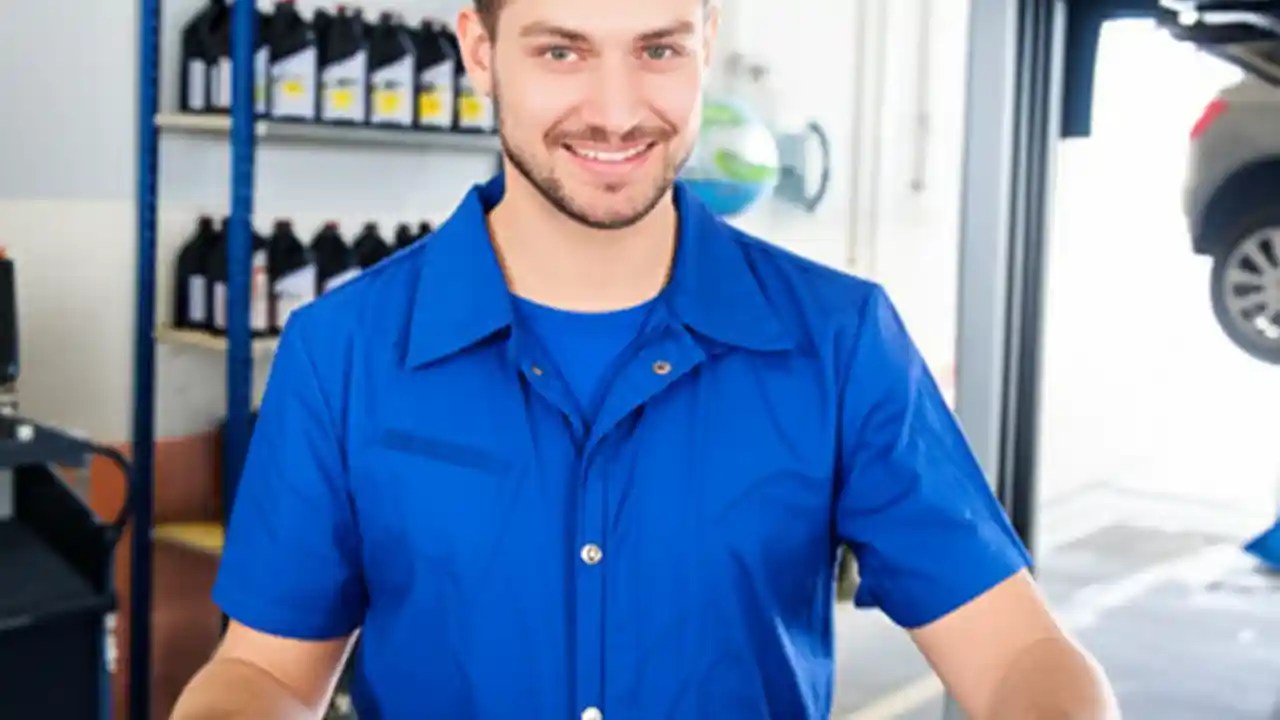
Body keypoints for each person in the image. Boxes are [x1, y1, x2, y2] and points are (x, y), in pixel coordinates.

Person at [172, 0, 1119, 718]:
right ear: (478, 51)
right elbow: (264, 670)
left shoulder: (840, 341)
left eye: (658, 49)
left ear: (707, 41)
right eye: (560, 50)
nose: (618, 113)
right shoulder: (341, 353)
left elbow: (1013, 654)